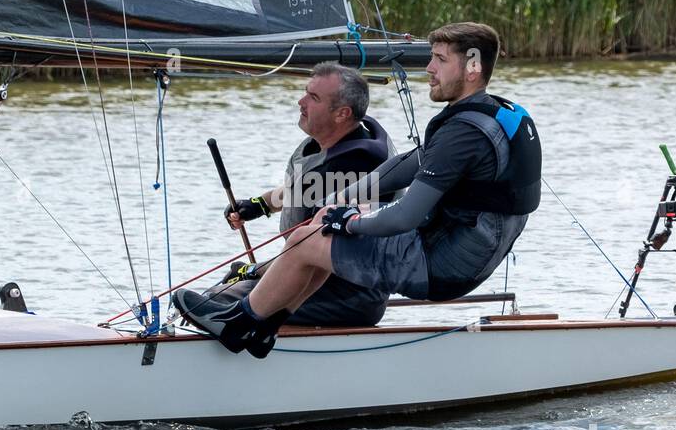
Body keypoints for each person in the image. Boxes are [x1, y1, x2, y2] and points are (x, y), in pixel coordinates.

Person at [175, 23, 540, 357]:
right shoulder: (493, 116)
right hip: (461, 255)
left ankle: (241, 325)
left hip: (438, 266)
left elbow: (406, 215)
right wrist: (338, 203)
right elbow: (405, 167)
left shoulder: (463, 134)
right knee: (314, 234)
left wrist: (348, 222)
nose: (428, 68)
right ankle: (262, 325)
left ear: (472, 66)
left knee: (305, 243)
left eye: (440, 60)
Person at [212, 62, 397, 327]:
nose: (301, 102)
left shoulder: (358, 164)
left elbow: (312, 250)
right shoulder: (339, 145)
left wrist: (253, 271)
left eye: (313, 98)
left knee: (219, 302)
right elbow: (306, 188)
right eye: (305, 92)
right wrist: (257, 206)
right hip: (318, 281)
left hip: (346, 298)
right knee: (222, 291)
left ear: (342, 113)